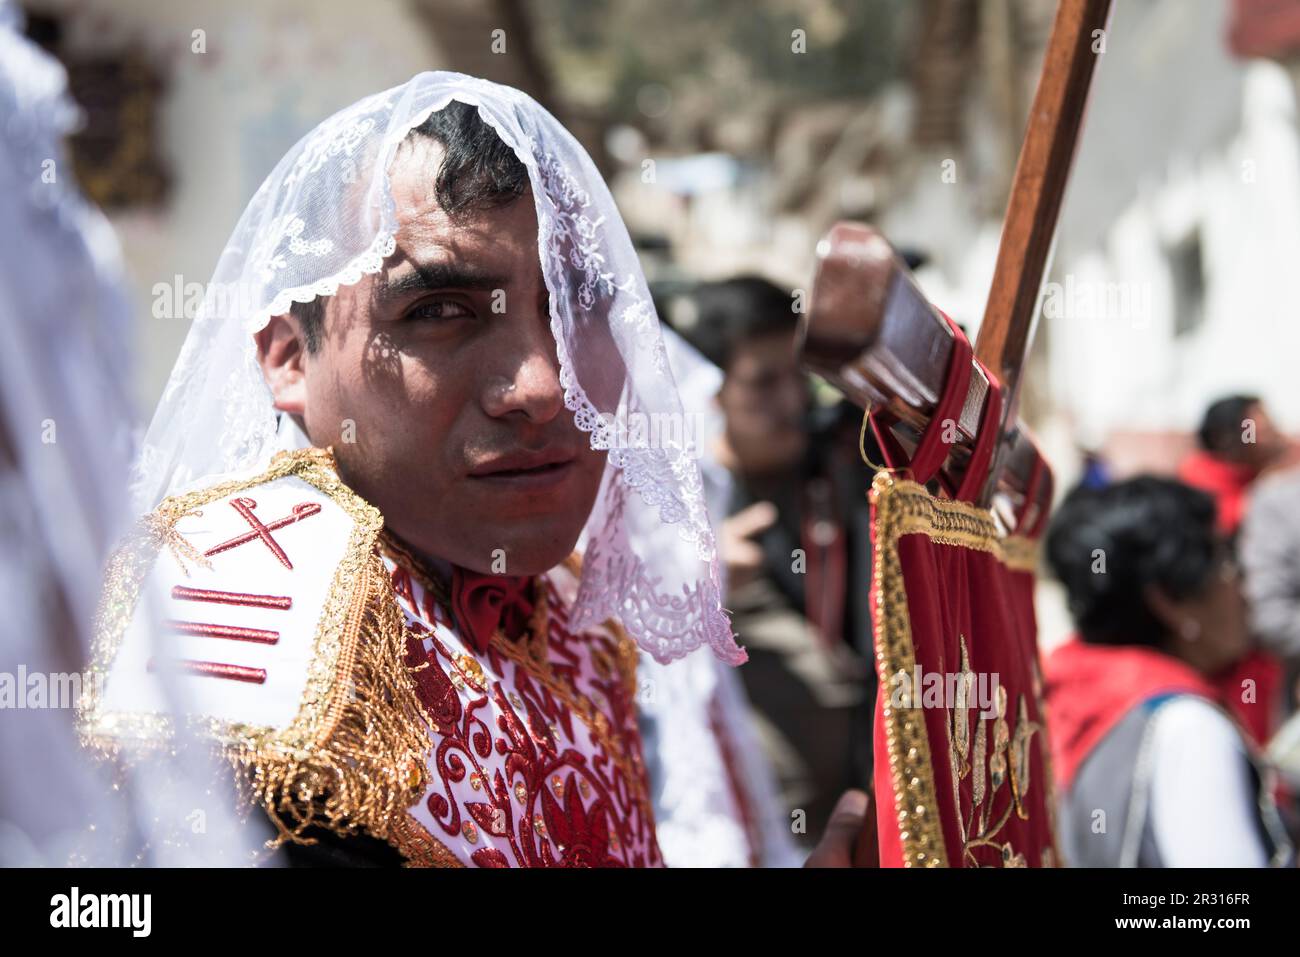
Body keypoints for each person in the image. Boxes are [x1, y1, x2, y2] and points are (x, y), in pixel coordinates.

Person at [81, 73, 866, 867]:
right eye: (438, 311)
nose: (543, 386)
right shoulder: (251, 640)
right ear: (289, 360)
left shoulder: (561, 605)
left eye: (574, 302)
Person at [673, 275, 875, 849]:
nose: (792, 402)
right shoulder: (680, 511)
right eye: (764, 383)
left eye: (798, 378)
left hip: (856, 813)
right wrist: (698, 581)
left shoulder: (837, 467)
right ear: (711, 391)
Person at [1043, 476, 1293, 867]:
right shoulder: (1187, 727)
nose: (1243, 589)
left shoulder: (1074, 693)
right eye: (1226, 561)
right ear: (1171, 600)